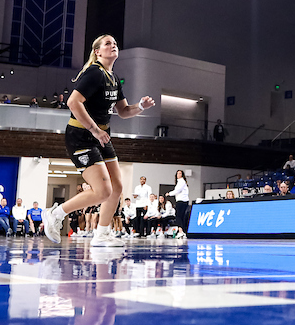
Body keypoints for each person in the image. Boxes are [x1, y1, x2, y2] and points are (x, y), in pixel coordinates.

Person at [41, 35, 155, 246]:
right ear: (97, 52)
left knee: (117, 187)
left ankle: (102, 234)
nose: (113, 46)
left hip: (101, 136)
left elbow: (123, 111)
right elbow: (73, 102)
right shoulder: (94, 73)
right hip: (81, 136)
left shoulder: (113, 77)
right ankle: (56, 213)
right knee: (103, 190)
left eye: (115, 44)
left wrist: (140, 106)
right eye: (108, 43)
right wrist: (94, 130)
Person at [166, 170, 190, 236]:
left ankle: (180, 231)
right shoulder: (180, 182)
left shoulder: (181, 182)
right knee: (181, 216)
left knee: (178, 216)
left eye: (180, 173)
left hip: (181, 201)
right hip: (182, 201)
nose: (178, 175)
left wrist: (169, 193)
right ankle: (182, 231)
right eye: (177, 173)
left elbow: (177, 190)